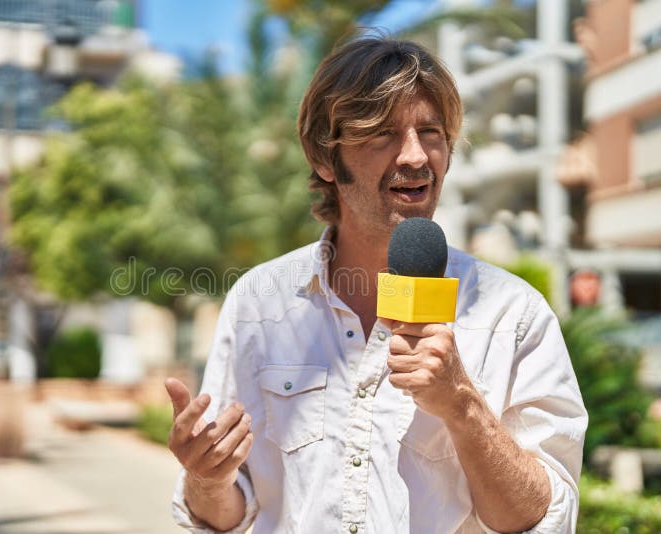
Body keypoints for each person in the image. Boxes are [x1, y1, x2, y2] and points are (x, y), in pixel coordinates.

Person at [165, 36, 587, 533]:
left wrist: (461, 404)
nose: (414, 156)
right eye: (382, 133)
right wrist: (207, 480)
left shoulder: (513, 314)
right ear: (325, 157)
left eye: (430, 132)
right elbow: (229, 514)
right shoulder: (258, 302)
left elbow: (544, 520)